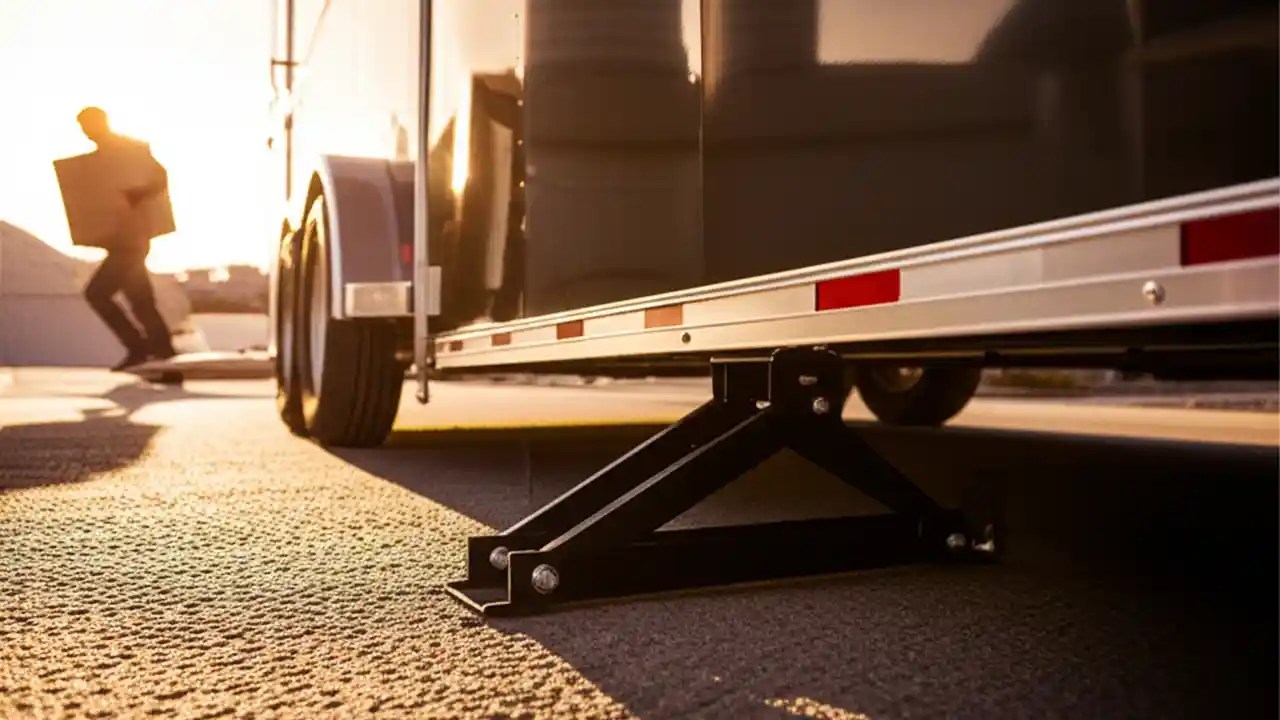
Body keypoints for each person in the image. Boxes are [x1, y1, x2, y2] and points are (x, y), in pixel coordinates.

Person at [76, 106, 177, 371]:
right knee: (140, 300)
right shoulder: (98, 160)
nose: (86, 134)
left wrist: (137, 195)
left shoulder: (128, 149)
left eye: (88, 127)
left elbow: (160, 176)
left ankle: (141, 348)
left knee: (97, 293)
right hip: (121, 241)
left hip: (131, 241)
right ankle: (162, 351)